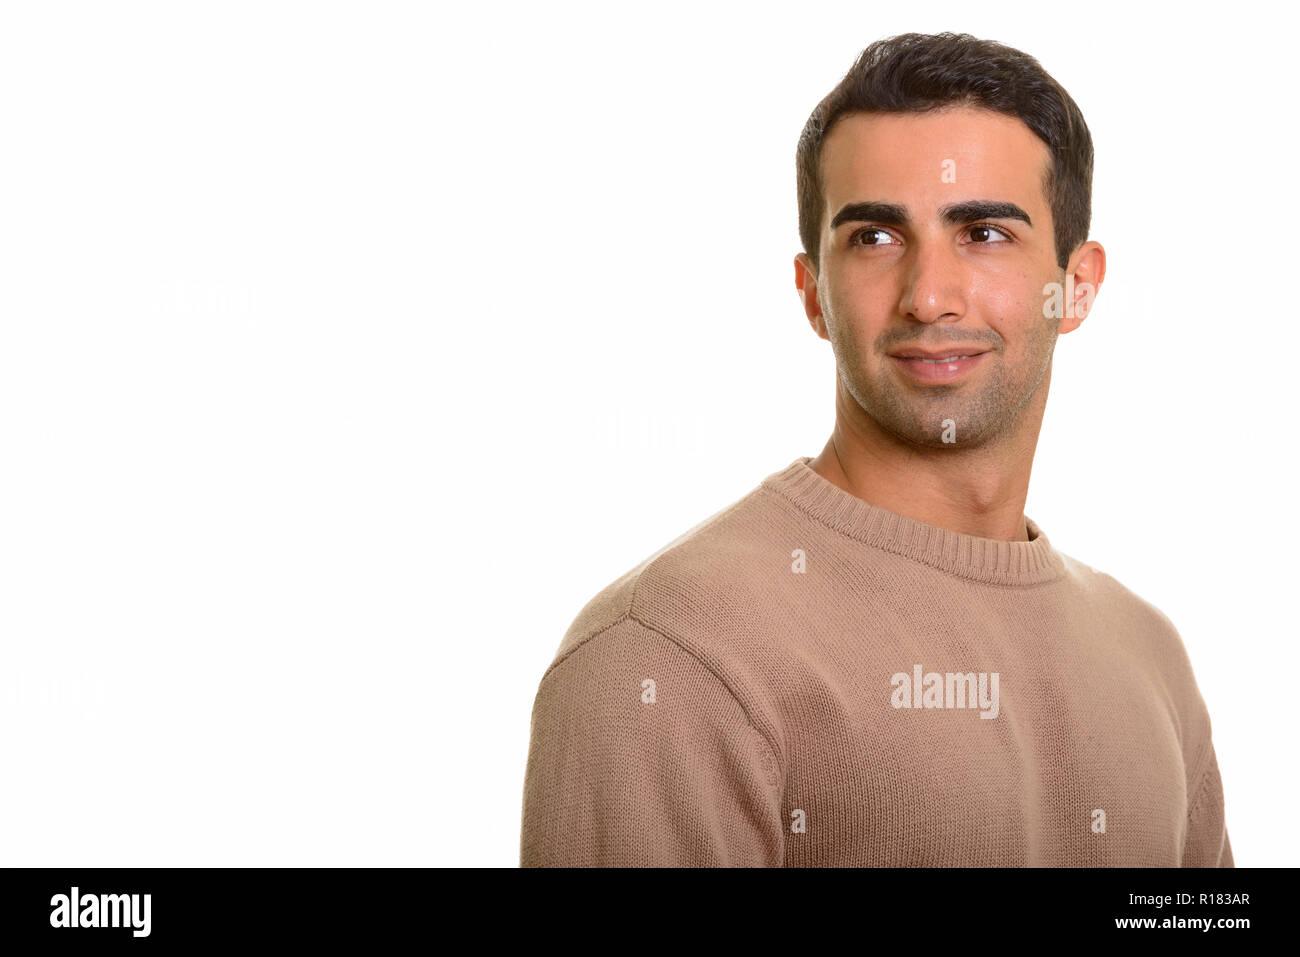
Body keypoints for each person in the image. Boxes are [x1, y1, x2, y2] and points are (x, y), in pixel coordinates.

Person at [519, 31, 1232, 867]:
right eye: (875, 238)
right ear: (813, 293)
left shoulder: (1151, 656)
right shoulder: (670, 651)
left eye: (986, 233)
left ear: (1078, 284)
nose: (929, 296)